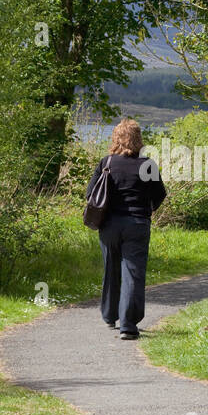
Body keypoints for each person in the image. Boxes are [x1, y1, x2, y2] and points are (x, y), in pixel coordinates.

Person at [86, 118, 167, 340]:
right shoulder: (147, 165)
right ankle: (128, 326)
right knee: (133, 273)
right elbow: (160, 194)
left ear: (116, 138)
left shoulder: (107, 162)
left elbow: (90, 194)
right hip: (137, 224)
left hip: (109, 225)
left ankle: (110, 315)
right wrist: (146, 210)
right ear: (139, 139)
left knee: (111, 269)